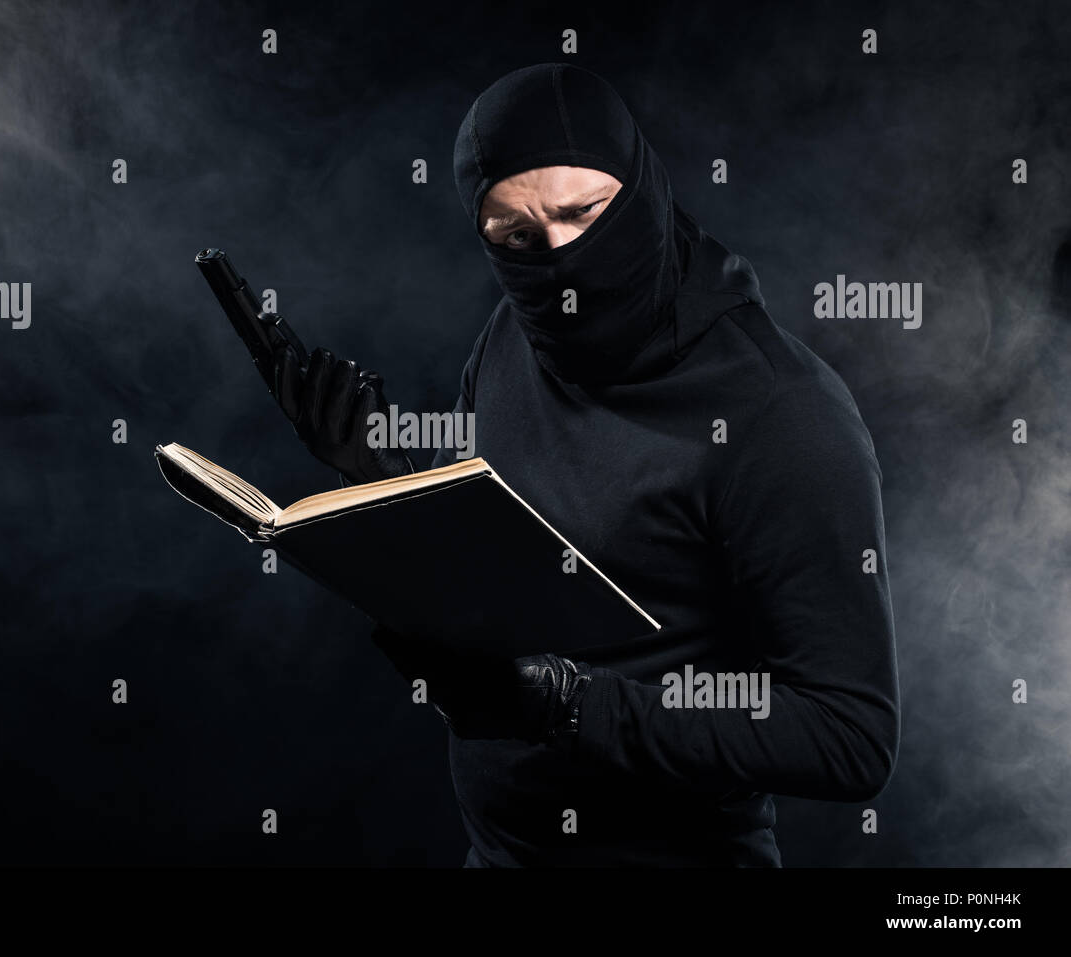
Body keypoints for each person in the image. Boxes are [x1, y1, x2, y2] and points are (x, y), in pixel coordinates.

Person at [268, 63, 900, 867]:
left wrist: (573, 707)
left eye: (584, 214)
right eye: (520, 240)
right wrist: (376, 474)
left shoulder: (781, 413)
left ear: (640, 186)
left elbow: (851, 738)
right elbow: (495, 557)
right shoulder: (508, 336)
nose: (561, 264)